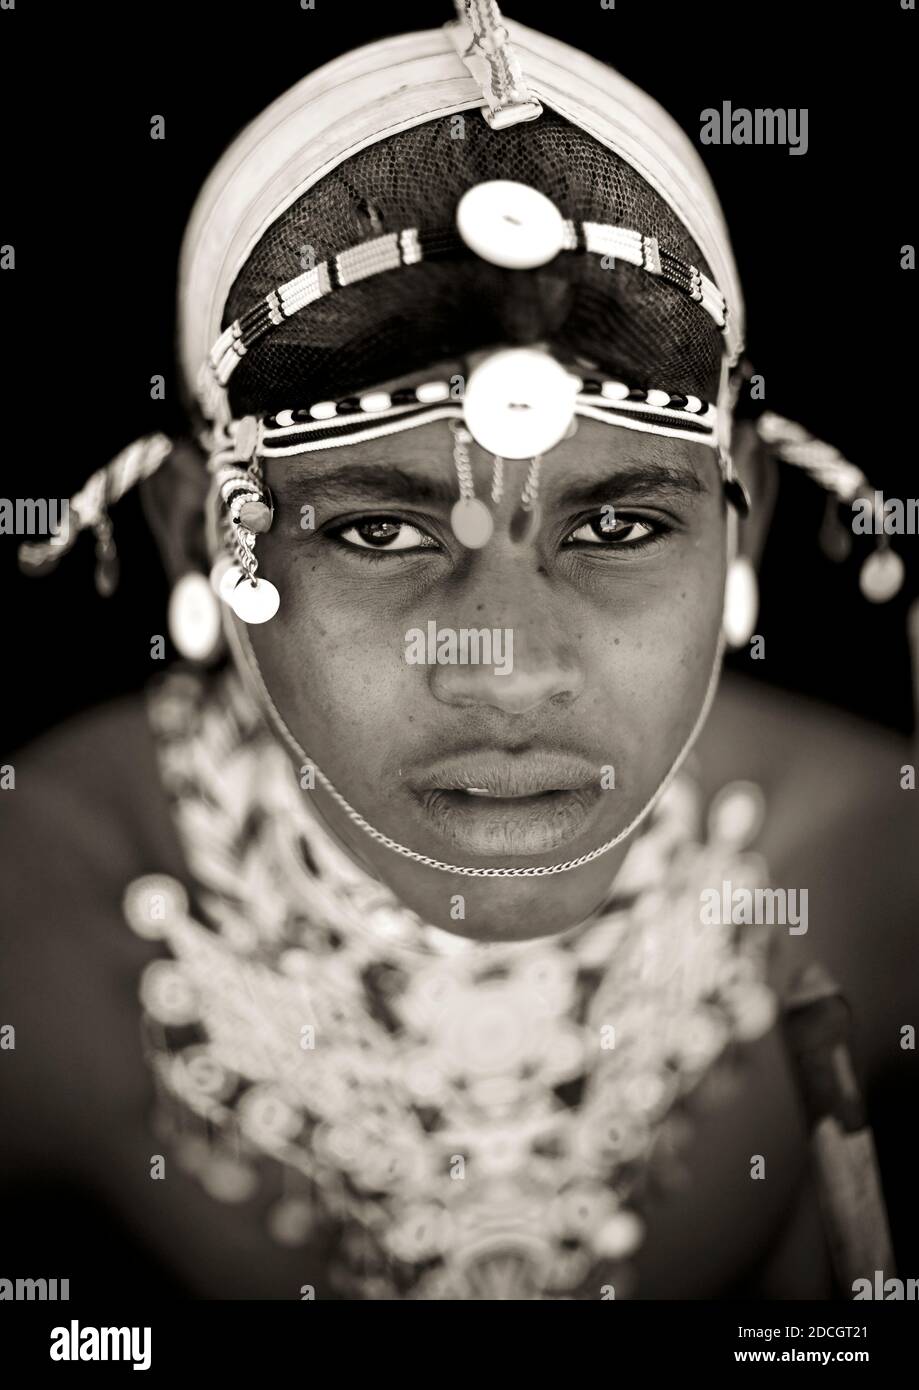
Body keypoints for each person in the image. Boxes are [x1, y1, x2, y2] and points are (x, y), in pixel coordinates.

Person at [2, 3, 916, 1301]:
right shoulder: (35, 928)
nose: (511, 665)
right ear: (202, 538)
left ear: (737, 512)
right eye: (379, 527)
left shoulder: (882, 871)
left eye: (616, 522)